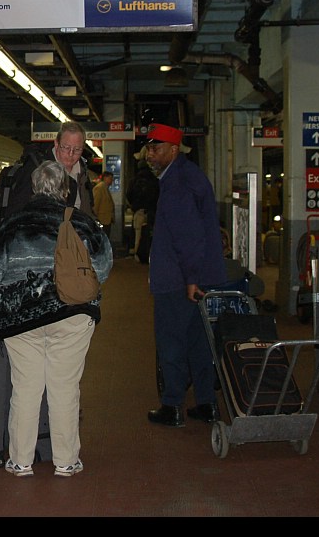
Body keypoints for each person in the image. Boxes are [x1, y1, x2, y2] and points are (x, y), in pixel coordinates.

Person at [0, 160, 113, 477]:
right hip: (71, 315)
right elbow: (103, 266)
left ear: (33, 187)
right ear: (65, 189)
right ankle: (66, 461)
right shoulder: (82, 222)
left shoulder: (11, 223)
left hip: (20, 317)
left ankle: (20, 461)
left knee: (26, 388)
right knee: (64, 388)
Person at [142, 123, 227, 428]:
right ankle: (206, 404)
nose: (150, 155)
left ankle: (173, 405)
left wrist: (190, 278)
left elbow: (188, 236)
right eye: (149, 149)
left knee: (172, 342)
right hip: (198, 277)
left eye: (156, 149)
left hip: (179, 281)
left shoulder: (176, 183)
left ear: (174, 149)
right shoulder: (188, 175)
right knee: (199, 343)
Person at [5, 121, 96, 221]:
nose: (71, 153)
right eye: (66, 147)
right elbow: (17, 213)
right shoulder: (37, 170)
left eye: (77, 149)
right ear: (56, 143)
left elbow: (87, 209)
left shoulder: (82, 173)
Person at [126, 158, 159, 261]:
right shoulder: (155, 180)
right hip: (152, 212)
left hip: (138, 211)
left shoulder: (134, 180)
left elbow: (128, 194)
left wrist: (134, 206)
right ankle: (150, 254)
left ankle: (137, 254)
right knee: (151, 233)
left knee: (138, 233)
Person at [92, 170, 115, 236]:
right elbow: (96, 204)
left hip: (106, 219)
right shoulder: (99, 188)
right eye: (110, 178)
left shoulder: (105, 188)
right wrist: (95, 218)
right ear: (105, 178)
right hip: (101, 219)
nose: (112, 180)